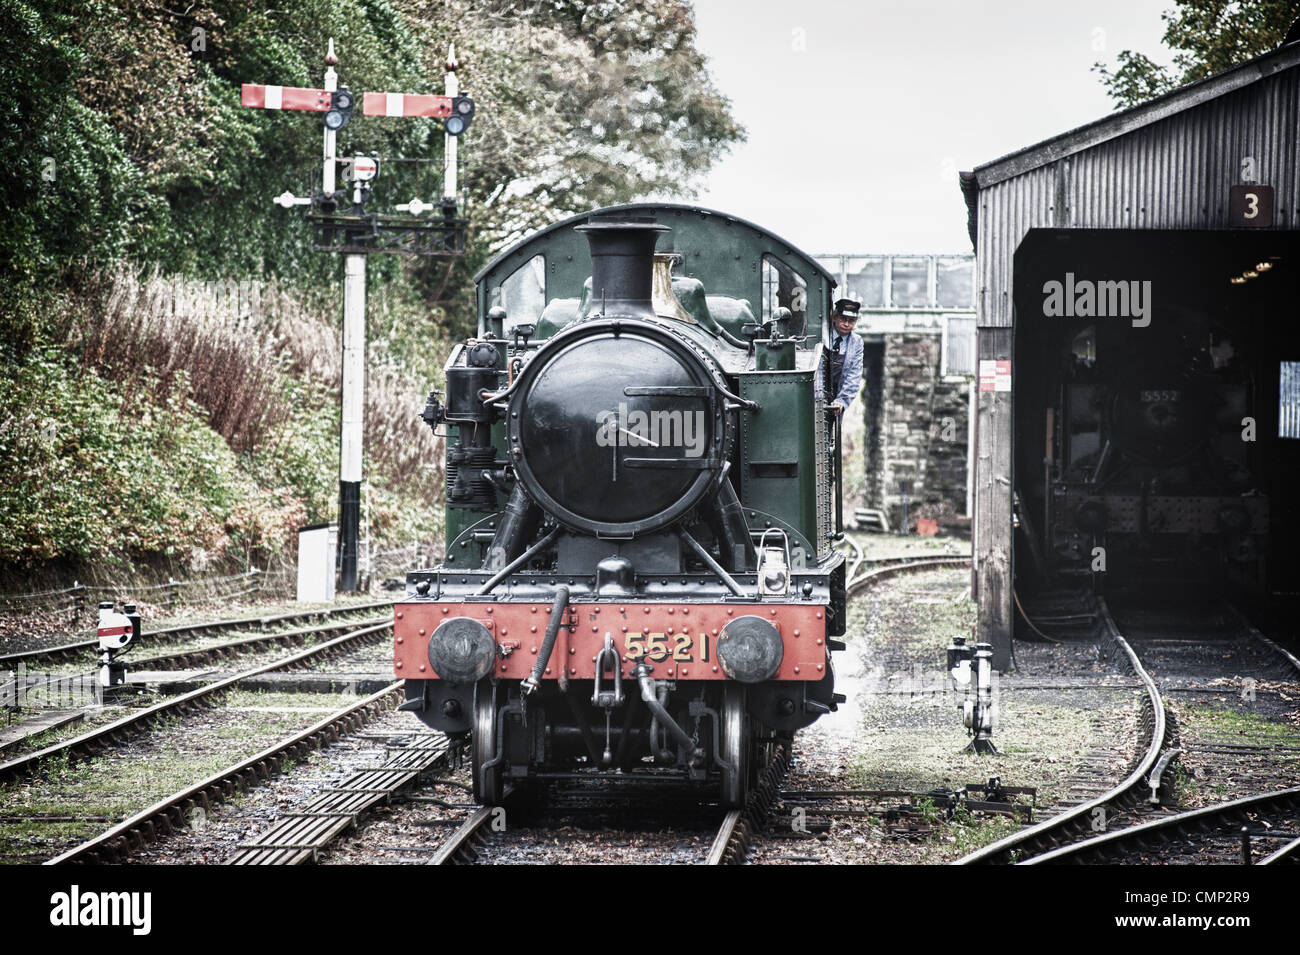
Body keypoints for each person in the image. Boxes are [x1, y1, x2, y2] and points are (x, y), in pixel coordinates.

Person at [823, 298, 864, 416]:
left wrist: (841, 401)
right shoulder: (823, 334)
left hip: (837, 400)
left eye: (851, 321)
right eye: (843, 319)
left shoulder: (857, 342)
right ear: (835, 317)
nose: (846, 324)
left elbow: (854, 375)